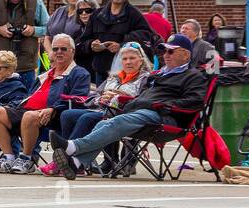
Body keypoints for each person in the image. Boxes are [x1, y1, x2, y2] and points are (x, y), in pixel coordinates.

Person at [51, 33, 209, 180]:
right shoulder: (160, 74)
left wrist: (164, 106)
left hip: (165, 117)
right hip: (142, 112)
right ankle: (77, 163)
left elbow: (195, 101)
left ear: (186, 54)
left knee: (116, 121)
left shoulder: (194, 76)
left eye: (171, 52)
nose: (165, 55)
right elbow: (142, 97)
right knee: (102, 123)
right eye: (164, 51)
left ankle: (72, 147)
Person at [0, 34, 90, 174]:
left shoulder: (79, 73)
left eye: (63, 49)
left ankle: (26, 159)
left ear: (72, 51)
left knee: (29, 116)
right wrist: (13, 106)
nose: (59, 52)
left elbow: (78, 99)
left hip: (54, 115)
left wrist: (53, 108)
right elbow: (29, 96)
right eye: (55, 49)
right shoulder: (45, 74)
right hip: (28, 110)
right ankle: (9, 158)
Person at [45, 42, 151, 176]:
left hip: (125, 114)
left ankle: (70, 159)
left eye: (132, 58)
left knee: (87, 118)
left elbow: (144, 100)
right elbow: (95, 95)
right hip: (103, 109)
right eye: (124, 59)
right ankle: (69, 156)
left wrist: (120, 97)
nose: (128, 62)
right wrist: (100, 99)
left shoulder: (146, 78)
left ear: (141, 60)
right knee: (67, 114)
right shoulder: (114, 77)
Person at [76, 0, 155, 83]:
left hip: (126, 75)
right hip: (101, 72)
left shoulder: (135, 15)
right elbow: (83, 42)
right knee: (101, 100)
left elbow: (146, 38)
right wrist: (91, 45)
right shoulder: (97, 15)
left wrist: (121, 46)